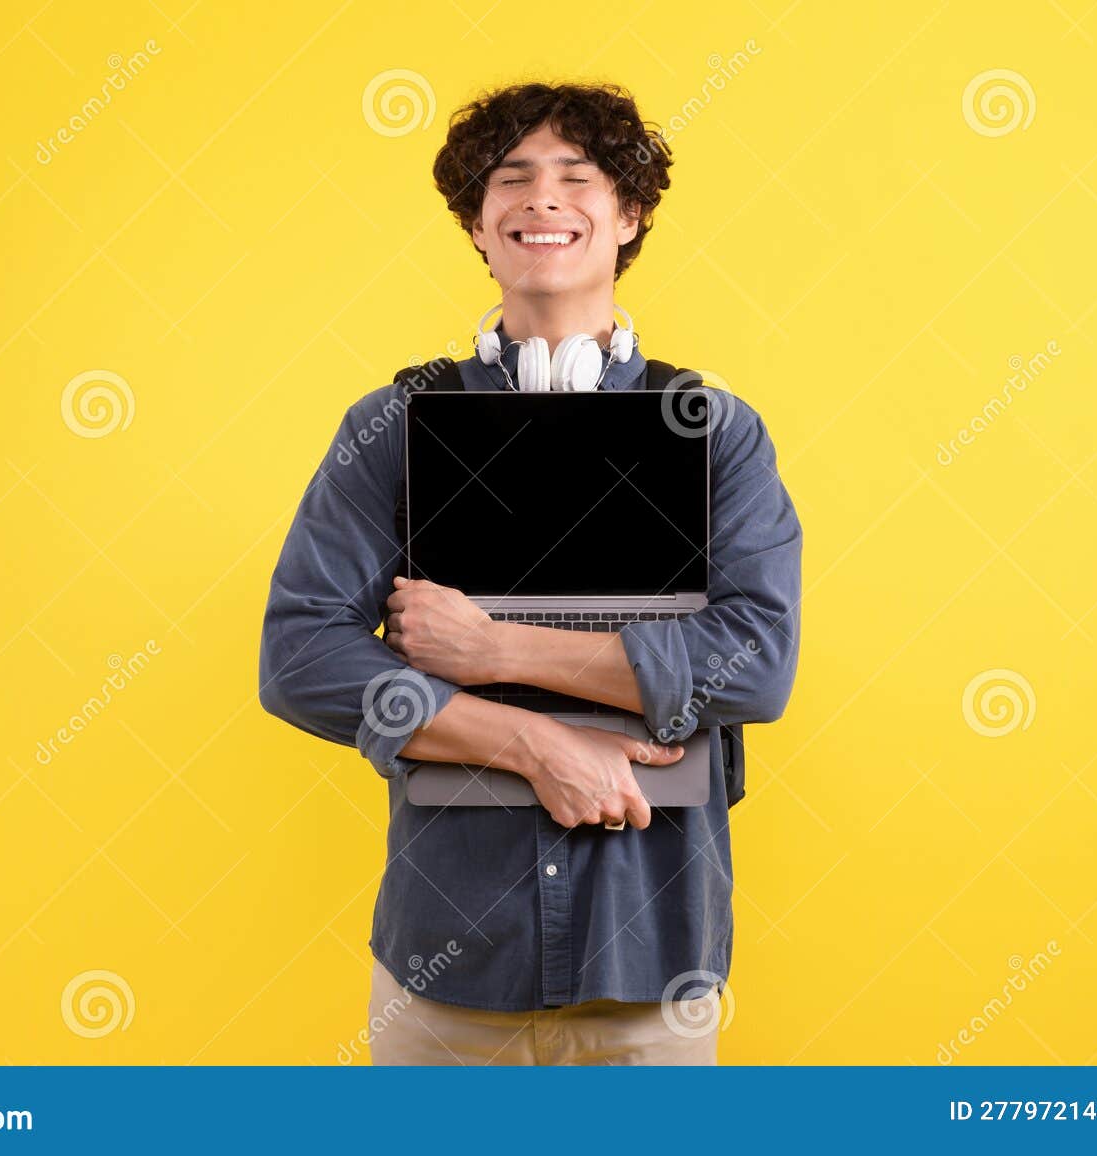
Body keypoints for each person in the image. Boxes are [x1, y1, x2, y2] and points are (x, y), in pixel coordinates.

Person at [258, 81, 802, 1065]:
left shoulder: (716, 431)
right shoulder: (393, 427)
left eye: (576, 179)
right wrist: (528, 742)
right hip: (446, 962)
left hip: (649, 960)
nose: (541, 200)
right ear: (476, 223)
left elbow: (753, 664)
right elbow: (299, 654)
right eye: (510, 180)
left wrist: (493, 646)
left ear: (629, 213)